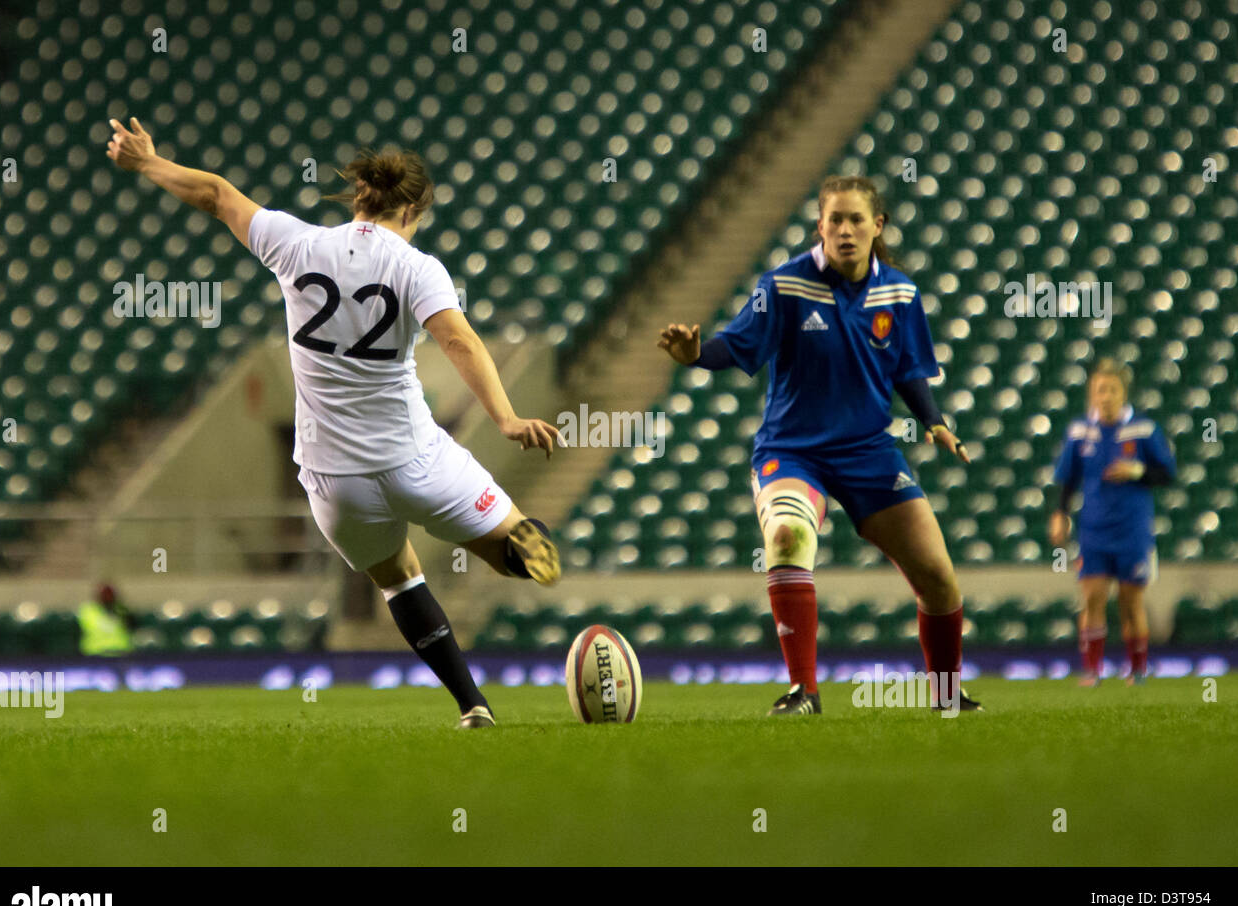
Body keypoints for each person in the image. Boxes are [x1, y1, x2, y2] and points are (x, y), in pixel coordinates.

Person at [107, 117, 563, 728]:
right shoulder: (417, 267)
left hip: (332, 479)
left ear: (358, 200)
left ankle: (471, 704)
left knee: (400, 580)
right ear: (415, 210)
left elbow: (215, 195)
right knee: (509, 544)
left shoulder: (296, 244)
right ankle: (514, 550)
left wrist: (147, 163)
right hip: (415, 459)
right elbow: (456, 339)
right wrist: (504, 418)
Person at [658, 175, 980, 714]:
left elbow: (907, 369)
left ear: (878, 226)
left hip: (869, 453)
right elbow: (733, 348)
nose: (846, 230)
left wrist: (934, 421)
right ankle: (803, 690)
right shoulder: (783, 286)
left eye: (857, 219)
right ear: (820, 228)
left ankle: (947, 696)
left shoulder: (900, 293)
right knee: (787, 538)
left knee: (938, 577)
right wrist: (694, 355)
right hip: (793, 451)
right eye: (836, 220)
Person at [1049, 359, 1176, 686]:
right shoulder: (1080, 431)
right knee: (1092, 596)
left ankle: (1137, 669)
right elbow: (1068, 479)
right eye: (1099, 390)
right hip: (1094, 529)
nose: (1105, 396)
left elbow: (1167, 474)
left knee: (1130, 601)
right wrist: (1060, 514)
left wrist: (1138, 472)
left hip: (1133, 528)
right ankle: (1092, 669)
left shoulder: (1144, 429)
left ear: (1123, 393)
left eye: (1111, 389)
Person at [77, 584, 135, 656]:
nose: (108, 598)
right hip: (95, 654)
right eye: (105, 595)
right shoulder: (88, 611)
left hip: (121, 653)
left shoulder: (122, 611)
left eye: (110, 595)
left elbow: (131, 627)